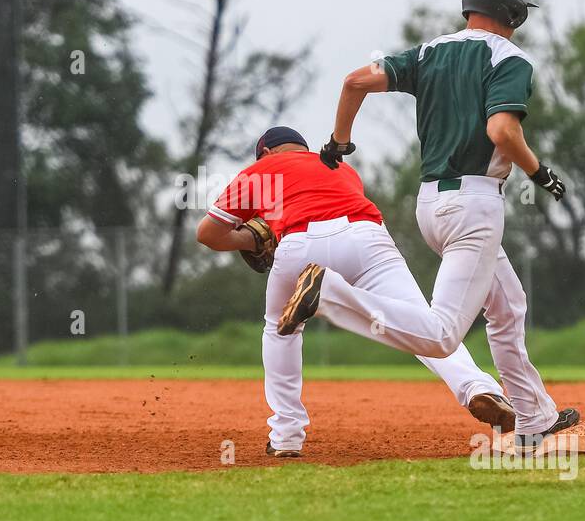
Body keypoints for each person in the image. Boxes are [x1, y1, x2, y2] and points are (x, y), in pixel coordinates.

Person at [278, 0, 578, 442]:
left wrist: (338, 142)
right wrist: (539, 172)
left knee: (507, 307)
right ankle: (329, 295)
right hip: (475, 207)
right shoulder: (509, 59)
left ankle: (534, 421)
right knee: (442, 336)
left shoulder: (431, 51)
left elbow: (354, 82)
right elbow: (501, 130)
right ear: (514, 10)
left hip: (430, 207)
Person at [196, 124, 532, 459]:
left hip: (300, 245)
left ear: (266, 153)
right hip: (367, 238)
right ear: (303, 148)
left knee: (279, 329)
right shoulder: (340, 167)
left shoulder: (260, 170)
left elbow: (208, 234)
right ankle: (480, 387)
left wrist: (251, 237)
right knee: (423, 320)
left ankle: (286, 435)